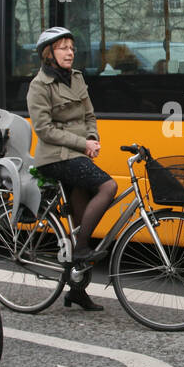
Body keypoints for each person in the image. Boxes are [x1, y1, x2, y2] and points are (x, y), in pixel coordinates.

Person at [27, 26, 117, 312]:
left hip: (77, 153)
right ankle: (79, 251)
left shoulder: (76, 78)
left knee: (80, 221)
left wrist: (93, 137)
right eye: (63, 47)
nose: (70, 52)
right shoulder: (39, 86)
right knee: (108, 186)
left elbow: (90, 114)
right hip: (55, 156)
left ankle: (77, 291)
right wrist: (82, 142)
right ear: (49, 54)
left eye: (72, 47)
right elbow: (44, 130)